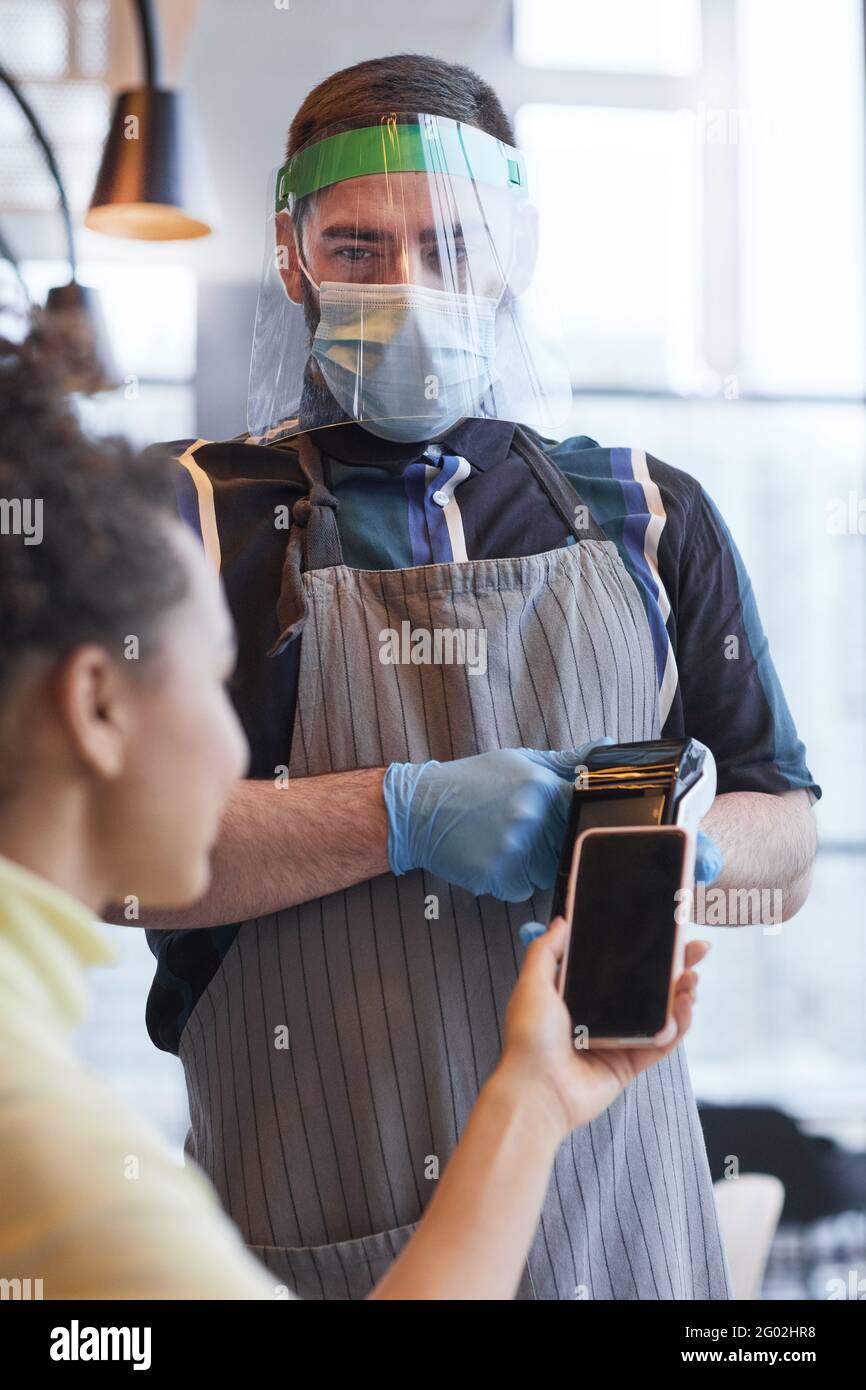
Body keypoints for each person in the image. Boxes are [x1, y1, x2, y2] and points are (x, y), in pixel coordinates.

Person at [138, 55, 820, 1300]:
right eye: (356, 249)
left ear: (513, 254)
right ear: (289, 257)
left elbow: (786, 838)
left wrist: (685, 851)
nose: (408, 289)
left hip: (623, 1227)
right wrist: (399, 813)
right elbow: (115, 867)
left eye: (452, 245)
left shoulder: (651, 515)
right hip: (316, 1229)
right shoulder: (188, 516)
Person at [0, 324, 708, 1300]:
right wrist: (404, 813)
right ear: (97, 705)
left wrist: (533, 1091)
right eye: (213, 676)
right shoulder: (59, 1166)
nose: (236, 737)